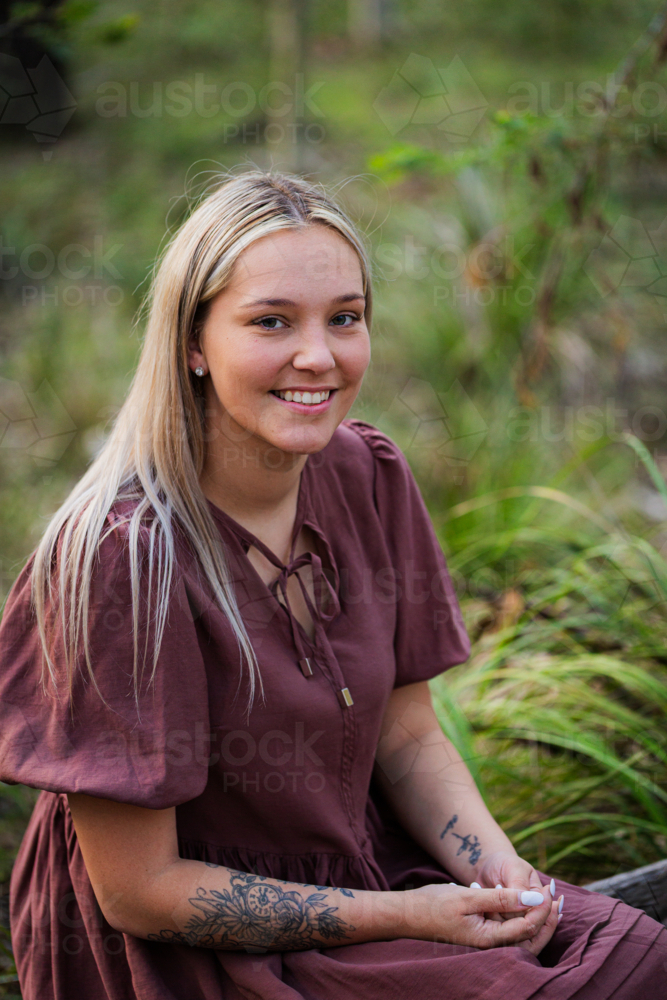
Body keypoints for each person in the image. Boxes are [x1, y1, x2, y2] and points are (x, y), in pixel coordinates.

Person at [0, 170, 664, 1000]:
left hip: (368, 873)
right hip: (198, 943)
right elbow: (140, 892)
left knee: (636, 956)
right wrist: (404, 918)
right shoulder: (120, 561)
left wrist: (502, 876)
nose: (318, 356)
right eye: (270, 321)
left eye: (344, 318)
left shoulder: (366, 473)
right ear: (192, 344)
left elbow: (408, 737)